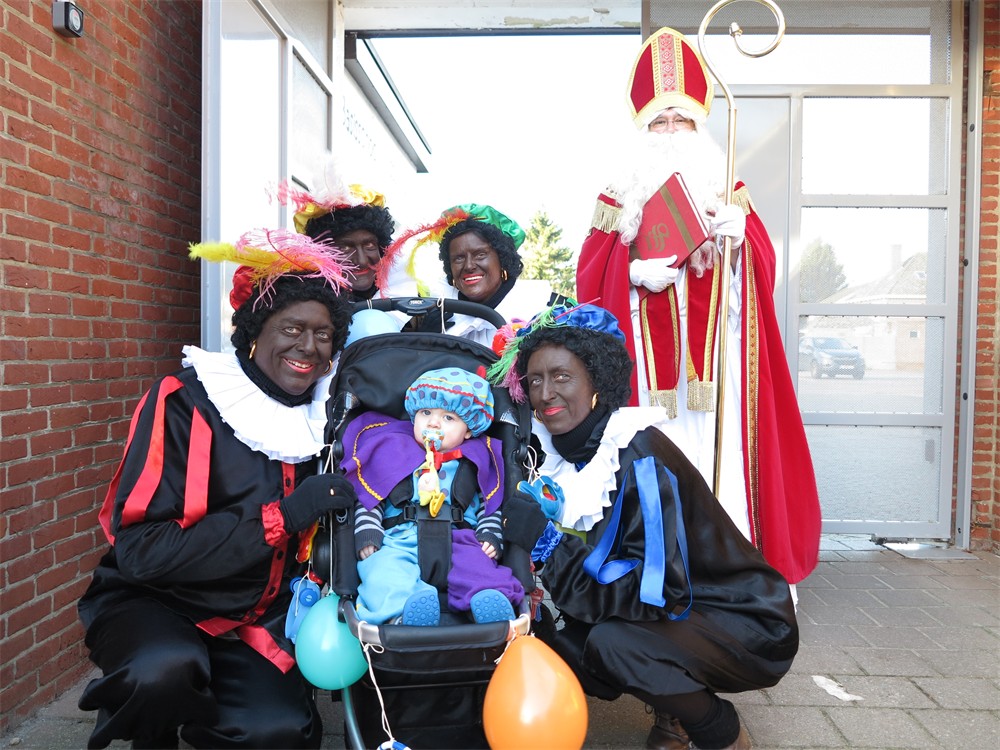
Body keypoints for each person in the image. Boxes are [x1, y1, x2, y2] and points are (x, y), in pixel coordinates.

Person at [76, 229, 359, 749]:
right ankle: (154, 726)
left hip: (256, 622)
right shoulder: (185, 400)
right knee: (161, 672)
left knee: (278, 734)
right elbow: (141, 553)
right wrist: (284, 517)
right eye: (292, 327)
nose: (308, 347)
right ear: (255, 329)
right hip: (159, 602)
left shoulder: (331, 415)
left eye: (323, 334)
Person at [489, 303, 798, 750]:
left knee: (613, 645)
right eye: (535, 380)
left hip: (742, 619)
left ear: (597, 380)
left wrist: (545, 542)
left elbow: (653, 589)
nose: (545, 393)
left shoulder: (638, 452)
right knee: (567, 642)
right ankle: (673, 702)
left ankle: (718, 729)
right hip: (682, 607)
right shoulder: (563, 455)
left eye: (561, 376)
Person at [576, 26, 820, 588]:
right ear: (643, 127)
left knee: (722, 457)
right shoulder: (621, 190)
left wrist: (741, 242)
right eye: (658, 122)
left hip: (719, 362)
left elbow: (762, 271)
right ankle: (660, 571)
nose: (669, 132)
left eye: (680, 120)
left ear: (699, 122)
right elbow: (591, 272)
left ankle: (731, 573)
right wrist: (633, 273)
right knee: (655, 454)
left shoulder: (726, 185)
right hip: (645, 361)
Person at [342, 367, 524, 626]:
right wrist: (368, 532)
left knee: (480, 570)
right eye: (426, 413)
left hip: (461, 540)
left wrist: (490, 534)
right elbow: (371, 497)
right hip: (400, 539)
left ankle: (488, 602)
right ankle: (404, 610)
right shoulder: (392, 450)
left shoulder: (476, 460)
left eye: (448, 418)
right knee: (383, 571)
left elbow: (490, 504)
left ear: (469, 430)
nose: (433, 423)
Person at [386, 203, 564, 346]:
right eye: (458, 258)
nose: (469, 266)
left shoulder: (548, 308)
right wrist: (423, 342)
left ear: (502, 258)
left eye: (480, 254)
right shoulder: (433, 312)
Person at [276, 166, 407, 304]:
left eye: (369, 245)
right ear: (321, 253)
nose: (361, 261)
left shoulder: (406, 294)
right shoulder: (301, 303)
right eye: (345, 248)